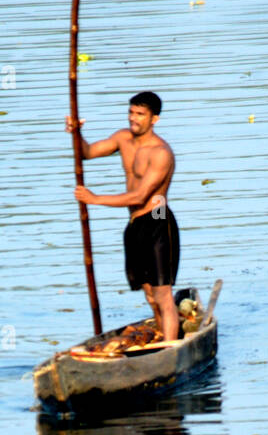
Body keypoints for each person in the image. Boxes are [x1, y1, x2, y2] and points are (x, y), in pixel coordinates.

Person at [66, 92, 181, 342]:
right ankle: (164, 340)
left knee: (163, 294)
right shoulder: (123, 138)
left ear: (154, 119)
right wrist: (76, 132)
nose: (133, 119)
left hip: (158, 220)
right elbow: (86, 152)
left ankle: (171, 349)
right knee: (150, 295)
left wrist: (95, 199)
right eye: (131, 112)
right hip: (135, 224)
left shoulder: (161, 152)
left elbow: (140, 197)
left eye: (140, 114)